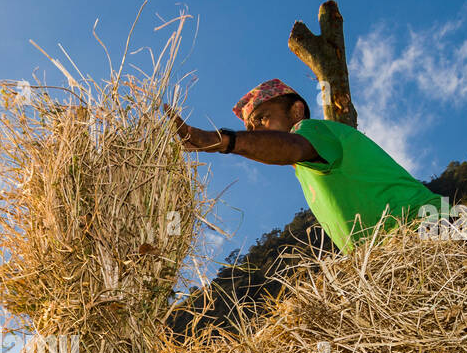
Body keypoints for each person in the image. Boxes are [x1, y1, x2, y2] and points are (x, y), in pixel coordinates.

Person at [169, 78, 443, 254]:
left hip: (424, 230)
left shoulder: (311, 130)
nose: (257, 131)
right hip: (391, 257)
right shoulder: (306, 171)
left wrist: (221, 141)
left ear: (296, 110)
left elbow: (294, 147)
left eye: (263, 118)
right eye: (251, 128)